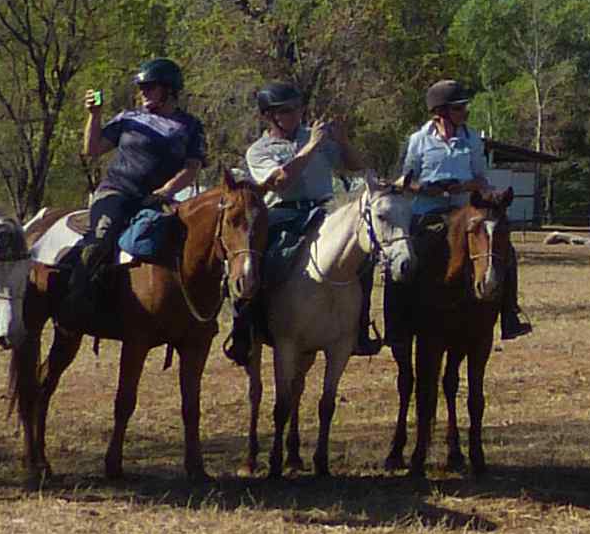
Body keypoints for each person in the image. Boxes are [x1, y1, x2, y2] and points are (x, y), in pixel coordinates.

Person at [386, 78, 530, 341]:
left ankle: (510, 314)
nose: (465, 113)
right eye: (459, 108)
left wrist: (466, 186)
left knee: (505, 251)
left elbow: (481, 177)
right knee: (405, 256)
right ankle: (395, 322)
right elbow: (404, 180)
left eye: (464, 108)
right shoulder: (418, 140)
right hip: (428, 213)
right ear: (441, 112)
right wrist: (427, 189)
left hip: (465, 211)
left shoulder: (473, 139)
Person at [230, 80, 356, 362]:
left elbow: (355, 166)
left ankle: (358, 328)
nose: (295, 115)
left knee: (361, 255)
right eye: (286, 111)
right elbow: (281, 182)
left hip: (325, 211)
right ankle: (246, 328)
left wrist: (343, 141)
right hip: (283, 213)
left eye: (297, 109)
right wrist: (311, 146)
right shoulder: (259, 150)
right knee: (260, 260)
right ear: (269, 116)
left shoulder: (316, 138)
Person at [77, 58, 211, 316]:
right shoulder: (128, 118)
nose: (142, 93)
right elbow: (92, 149)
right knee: (99, 240)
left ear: (169, 89)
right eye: (141, 88)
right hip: (116, 191)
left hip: (158, 198)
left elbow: (192, 166)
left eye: (149, 87)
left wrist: (167, 190)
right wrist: (94, 116)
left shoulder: (190, 126)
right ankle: (78, 302)